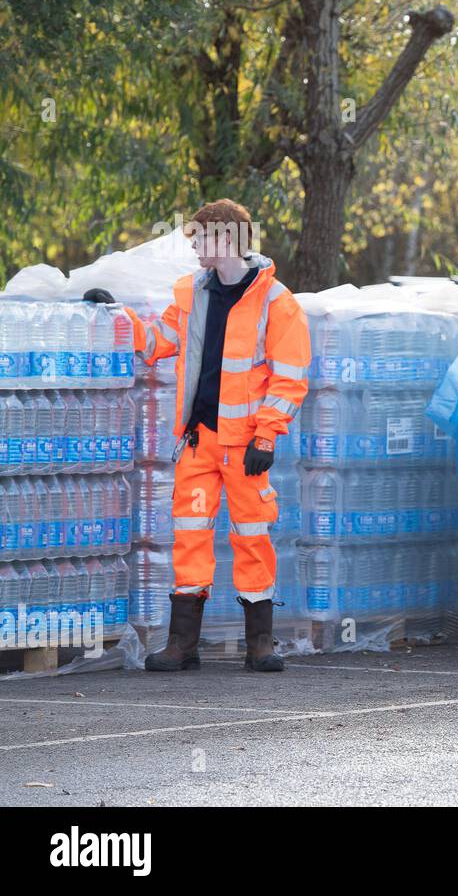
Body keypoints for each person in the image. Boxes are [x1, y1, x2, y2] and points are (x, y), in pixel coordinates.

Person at [83, 199, 310, 673]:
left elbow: (290, 379)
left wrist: (266, 437)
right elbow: (159, 342)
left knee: (252, 536)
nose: (194, 247)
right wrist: (117, 318)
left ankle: (260, 644)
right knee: (190, 536)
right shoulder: (192, 293)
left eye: (201, 238)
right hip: (199, 441)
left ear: (226, 240)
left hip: (247, 446)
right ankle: (182, 645)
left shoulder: (276, 301)